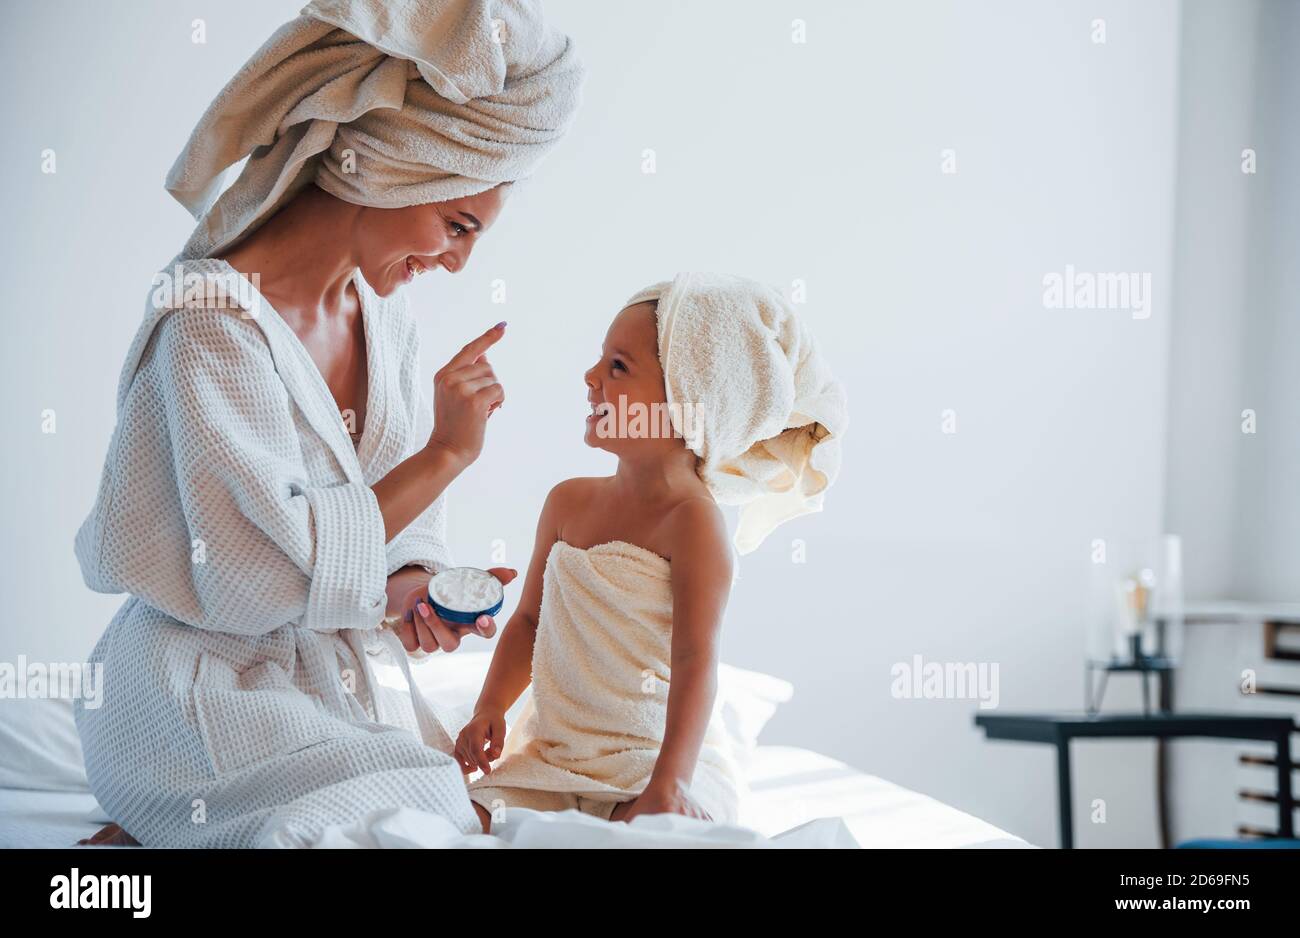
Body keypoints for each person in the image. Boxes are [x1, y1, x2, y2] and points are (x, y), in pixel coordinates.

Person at [72, 0, 584, 848]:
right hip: (198, 685)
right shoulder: (208, 320)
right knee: (407, 814)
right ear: (391, 166)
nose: (457, 260)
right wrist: (448, 452)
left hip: (322, 685)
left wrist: (410, 588)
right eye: (457, 226)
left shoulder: (385, 318)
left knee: (443, 800)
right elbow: (249, 578)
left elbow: (371, 537)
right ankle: (153, 824)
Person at [454, 273, 848, 830]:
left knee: (649, 835)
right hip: (554, 758)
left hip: (652, 762)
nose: (591, 377)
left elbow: (696, 661)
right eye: (601, 361)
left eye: (618, 367)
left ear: (691, 402)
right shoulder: (567, 503)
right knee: (461, 818)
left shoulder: (693, 524)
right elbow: (528, 620)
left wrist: (671, 783)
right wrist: (489, 706)